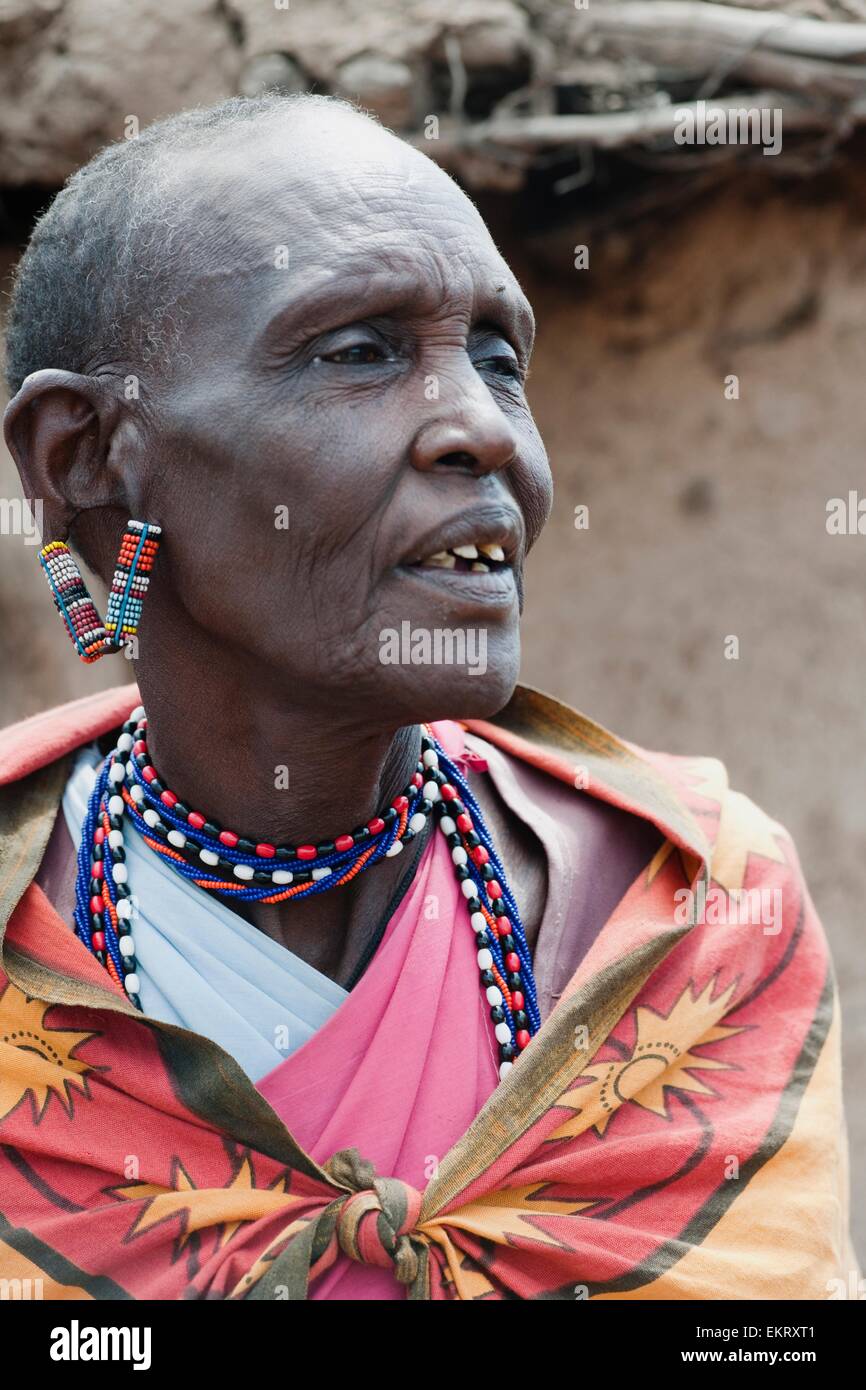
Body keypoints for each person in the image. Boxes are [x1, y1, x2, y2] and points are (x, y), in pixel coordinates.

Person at [0, 93, 856, 1300]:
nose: (481, 429)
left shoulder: (684, 907)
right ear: (81, 457)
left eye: (501, 361)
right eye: (357, 353)